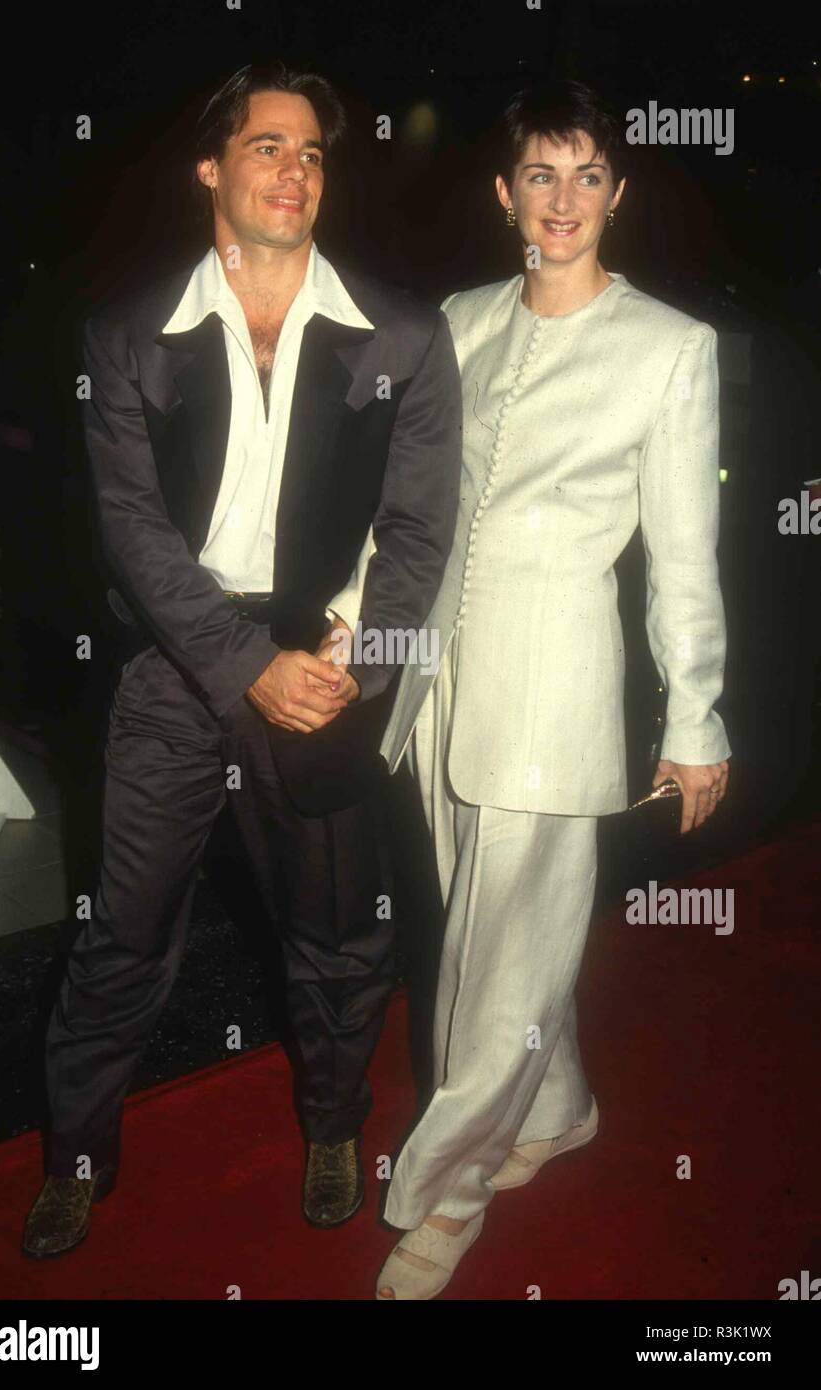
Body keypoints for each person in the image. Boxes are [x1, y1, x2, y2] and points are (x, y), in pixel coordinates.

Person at [22, 61, 461, 1258]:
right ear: (211, 167)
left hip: (324, 665)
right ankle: (74, 1153)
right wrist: (238, 661)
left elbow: (422, 530)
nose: (296, 170)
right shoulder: (125, 336)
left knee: (337, 936)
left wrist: (356, 665)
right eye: (268, 147)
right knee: (122, 934)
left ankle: (332, 1121)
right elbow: (133, 534)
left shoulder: (403, 334)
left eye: (314, 151)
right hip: (176, 664)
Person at [373, 79, 731, 1298]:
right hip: (440, 684)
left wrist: (696, 717)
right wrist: (349, 630)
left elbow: (685, 555)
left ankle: (444, 1191)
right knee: (505, 939)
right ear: (504, 192)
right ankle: (561, 1104)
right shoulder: (459, 318)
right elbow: (409, 510)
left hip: (556, 691)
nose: (563, 199)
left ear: (618, 192)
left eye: (587, 176)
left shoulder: (672, 348)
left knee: (491, 969)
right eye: (541, 174)